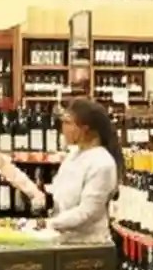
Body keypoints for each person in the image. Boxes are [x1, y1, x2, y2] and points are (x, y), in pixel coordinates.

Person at [36, 98, 122, 243]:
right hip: (64, 241)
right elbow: (59, 192)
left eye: (68, 123)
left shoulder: (102, 163)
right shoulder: (73, 155)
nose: (62, 128)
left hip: (89, 246)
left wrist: (50, 223)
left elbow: (87, 212)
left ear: (85, 129)